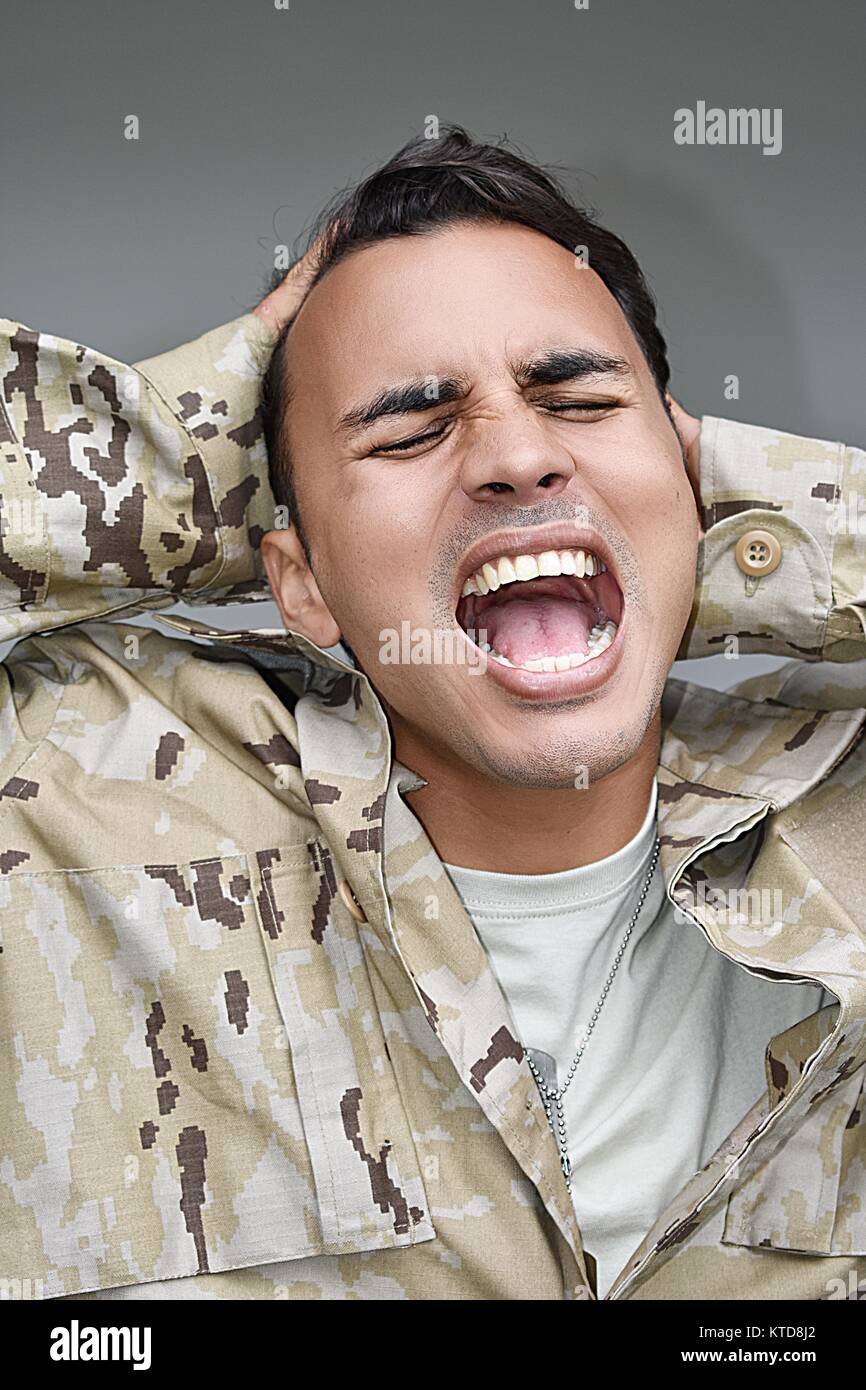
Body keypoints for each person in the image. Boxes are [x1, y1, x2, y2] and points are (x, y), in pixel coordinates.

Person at [1, 126, 863, 1303]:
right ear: (294, 579)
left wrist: (757, 531)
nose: (515, 453)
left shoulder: (845, 805)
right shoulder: (70, 801)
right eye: (410, 430)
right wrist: (171, 449)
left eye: (577, 397)